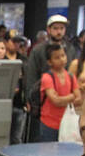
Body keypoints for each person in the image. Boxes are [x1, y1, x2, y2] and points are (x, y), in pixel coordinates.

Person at [23, 15, 74, 143]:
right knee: (43, 139)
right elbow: (31, 75)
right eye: (55, 28)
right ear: (49, 29)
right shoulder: (38, 50)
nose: (59, 31)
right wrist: (30, 99)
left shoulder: (70, 49)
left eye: (62, 28)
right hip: (44, 99)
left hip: (66, 100)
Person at [37, 42, 81, 142]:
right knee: (47, 155)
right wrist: (71, 96)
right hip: (49, 123)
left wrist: (64, 98)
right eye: (57, 57)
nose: (62, 59)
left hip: (67, 123)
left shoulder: (70, 76)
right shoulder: (47, 77)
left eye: (63, 55)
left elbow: (78, 99)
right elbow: (55, 101)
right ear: (49, 62)